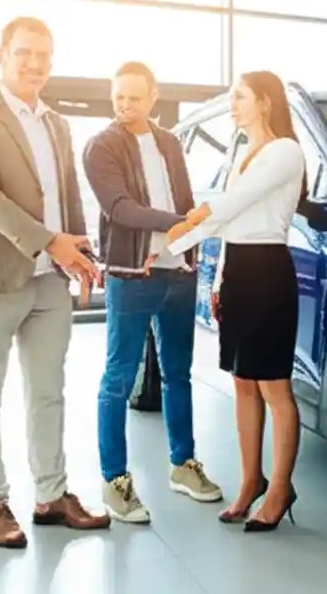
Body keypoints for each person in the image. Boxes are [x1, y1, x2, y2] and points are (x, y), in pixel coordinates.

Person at [0, 16, 110, 549]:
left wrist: (78, 256)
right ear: (3, 55)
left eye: (43, 55)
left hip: (49, 281)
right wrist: (49, 242)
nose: (34, 64)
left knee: (48, 393)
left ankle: (51, 495)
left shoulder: (56, 123)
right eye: (24, 53)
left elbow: (67, 193)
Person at [164, 70, 305, 532]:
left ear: (265, 102)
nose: (233, 105)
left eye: (240, 96)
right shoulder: (243, 154)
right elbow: (227, 226)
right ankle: (251, 481)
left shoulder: (284, 151)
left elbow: (231, 206)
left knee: (273, 386)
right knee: (243, 381)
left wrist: (177, 236)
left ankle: (280, 488)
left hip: (267, 270)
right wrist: (219, 279)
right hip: (241, 269)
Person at [81, 61, 222, 523]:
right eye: (119, 97)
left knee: (178, 374)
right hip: (132, 274)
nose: (125, 105)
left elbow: (185, 200)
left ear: (153, 97)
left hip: (178, 272)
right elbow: (119, 208)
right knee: (118, 378)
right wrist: (178, 223)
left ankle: (183, 465)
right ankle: (115, 481)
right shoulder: (101, 146)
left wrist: (190, 236)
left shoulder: (169, 143)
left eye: (134, 98)